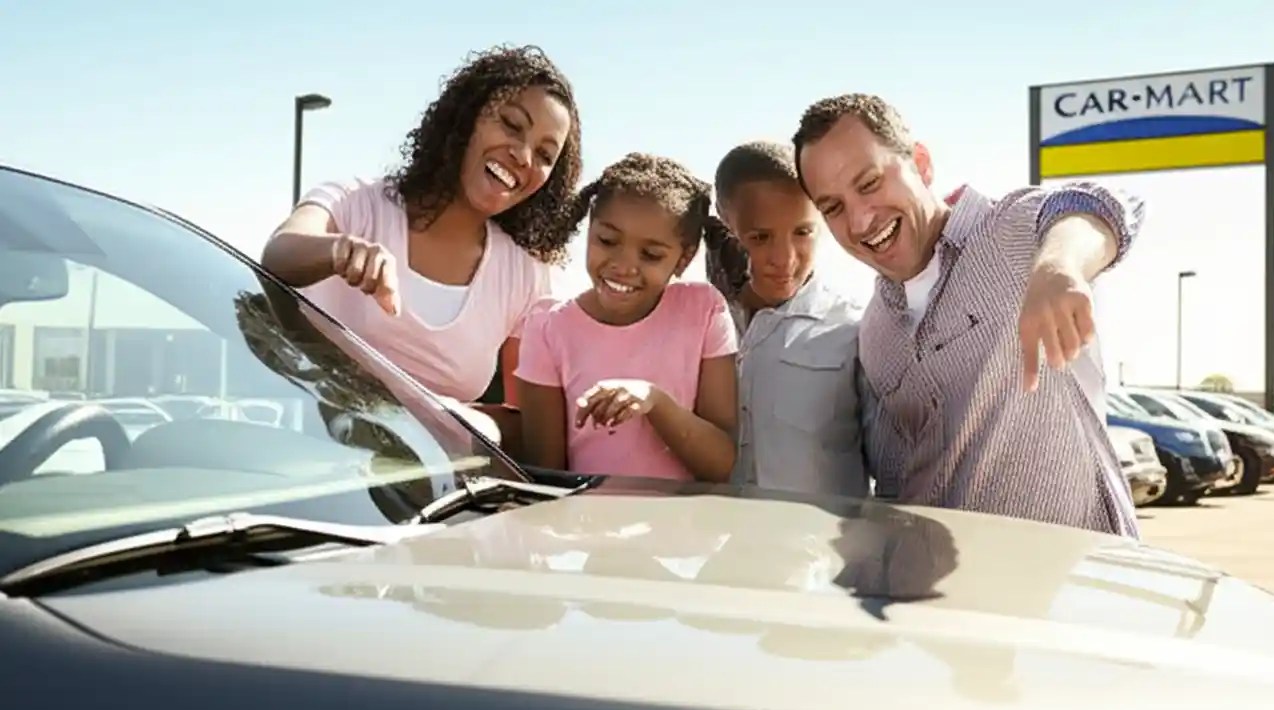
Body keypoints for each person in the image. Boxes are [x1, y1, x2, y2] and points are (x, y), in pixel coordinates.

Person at [792, 93, 1145, 537]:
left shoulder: (1013, 235)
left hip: (1072, 588)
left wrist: (1060, 266)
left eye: (869, 184)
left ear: (921, 164)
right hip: (946, 596)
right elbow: (895, 483)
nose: (861, 221)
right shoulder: (876, 331)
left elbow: (1106, 203)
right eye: (834, 208)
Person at [261, 45, 582, 431]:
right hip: (321, 467)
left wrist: (468, 423)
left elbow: (524, 423)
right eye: (512, 125)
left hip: (434, 486)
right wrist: (339, 250)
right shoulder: (355, 204)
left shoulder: (528, 275)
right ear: (466, 118)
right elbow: (278, 253)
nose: (525, 157)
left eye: (546, 155)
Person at [515, 152, 739, 483]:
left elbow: (722, 464)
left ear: (683, 258)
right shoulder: (548, 328)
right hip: (586, 527)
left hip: (682, 530)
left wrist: (656, 403)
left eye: (650, 255)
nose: (623, 266)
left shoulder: (703, 310)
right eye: (607, 240)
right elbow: (546, 476)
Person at [709, 140, 867, 498]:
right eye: (760, 237)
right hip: (718, 548)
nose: (784, 259)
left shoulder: (855, 330)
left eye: (803, 232)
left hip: (821, 551)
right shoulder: (692, 326)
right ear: (724, 218)